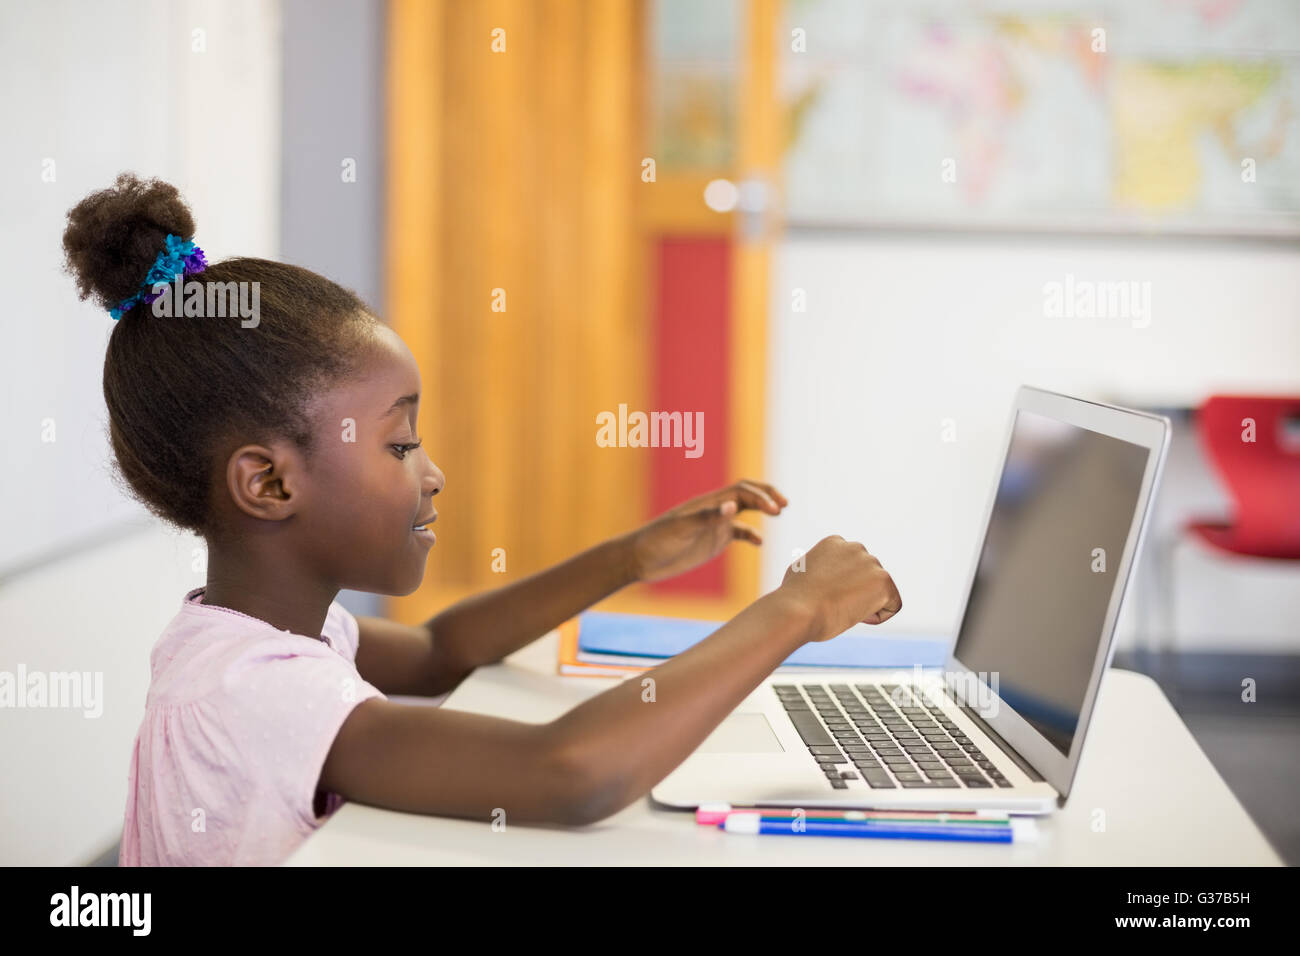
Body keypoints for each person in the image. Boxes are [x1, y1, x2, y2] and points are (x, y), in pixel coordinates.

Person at [63, 173, 901, 866]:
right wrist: (793, 610)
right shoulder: (251, 691)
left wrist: (631, 557)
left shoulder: (254, 634)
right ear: (270, 485)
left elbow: (440, 652)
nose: (433, 475)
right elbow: (566, 774)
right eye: (400, 445)